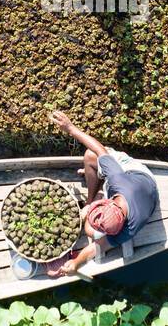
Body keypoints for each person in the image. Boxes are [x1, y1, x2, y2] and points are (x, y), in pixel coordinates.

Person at [46, 109, 160, 278]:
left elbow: (99, 245)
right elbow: (99, 150)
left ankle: (97, 190)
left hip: (146, 192)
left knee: (91, 232)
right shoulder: (118, 180)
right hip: (134, 175)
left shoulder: (130, 228)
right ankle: (92, 197)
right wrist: (70, 128)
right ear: (109, 202)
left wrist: (76, 263)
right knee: (90, 156)